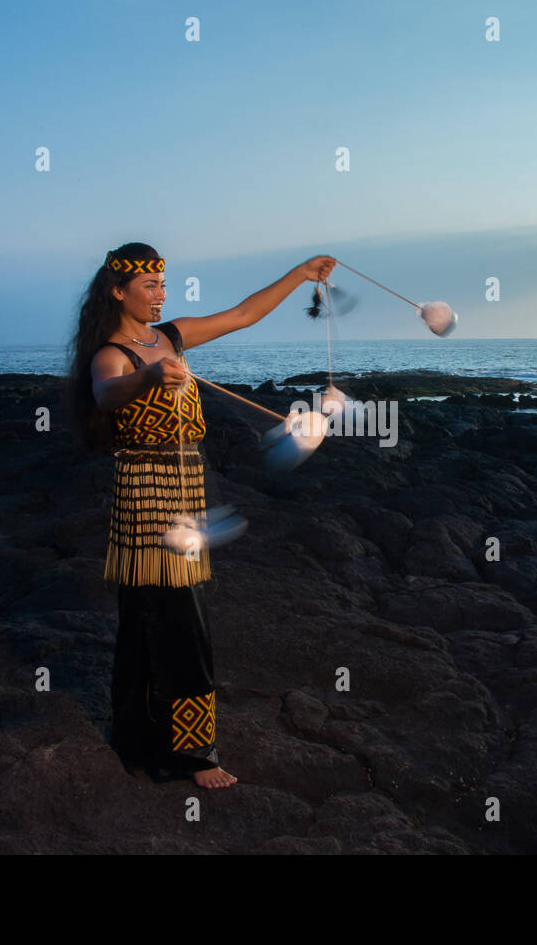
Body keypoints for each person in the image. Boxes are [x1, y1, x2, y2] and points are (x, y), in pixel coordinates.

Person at [64, 241, 336, 788]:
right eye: (149, 286)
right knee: (178, 625)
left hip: (185, 494)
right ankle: (191, 755)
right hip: (146, 503)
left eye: (164, 285)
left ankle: (140, 742)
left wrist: (299, 273)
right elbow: (108, 392)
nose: (160, 295)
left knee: (152, 624)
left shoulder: (171, 337)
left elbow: (242, 314)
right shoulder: (112, 354)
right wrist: (148, 377)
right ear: (118, 291)